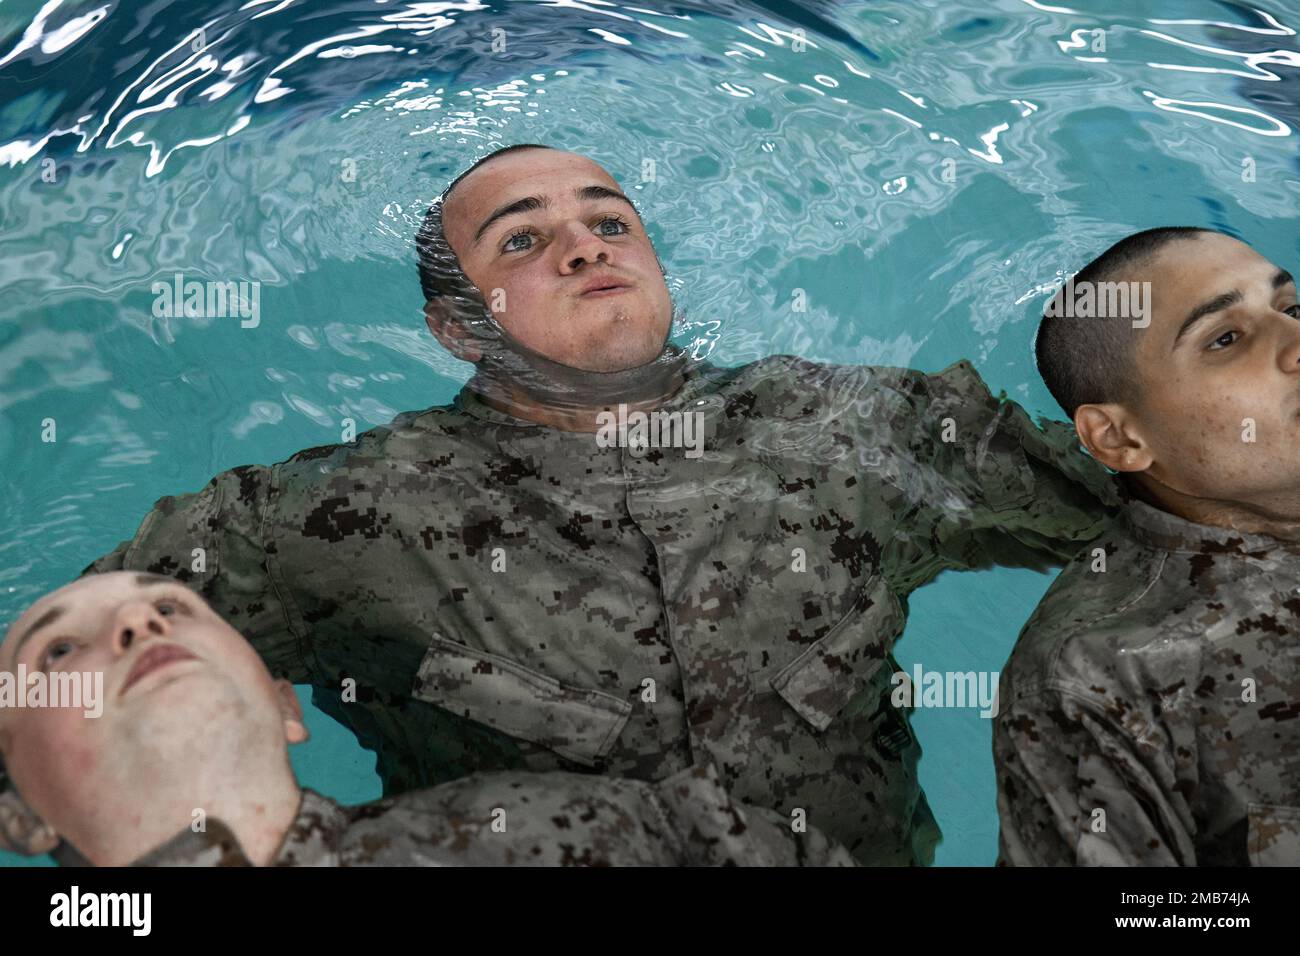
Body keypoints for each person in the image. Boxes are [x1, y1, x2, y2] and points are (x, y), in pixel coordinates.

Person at [14, 144, 1116, 866]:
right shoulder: (335, 518)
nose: (586, 243)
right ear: (458, 327)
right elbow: (55, 682)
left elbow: (1170, 511)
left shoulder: (849, 429)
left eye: (610, 222)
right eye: (523, 241)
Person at [0, 571, 854, 866]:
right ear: (18, 812)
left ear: (284, 705)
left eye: (175, 609)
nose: (139, 626)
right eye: (60, 654)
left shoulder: (579, 829)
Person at [996, 227, 1300, 866]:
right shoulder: (1106, 677)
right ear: (1118, 438)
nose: (1294, 343)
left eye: (1290, 307)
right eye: (1225, 339)